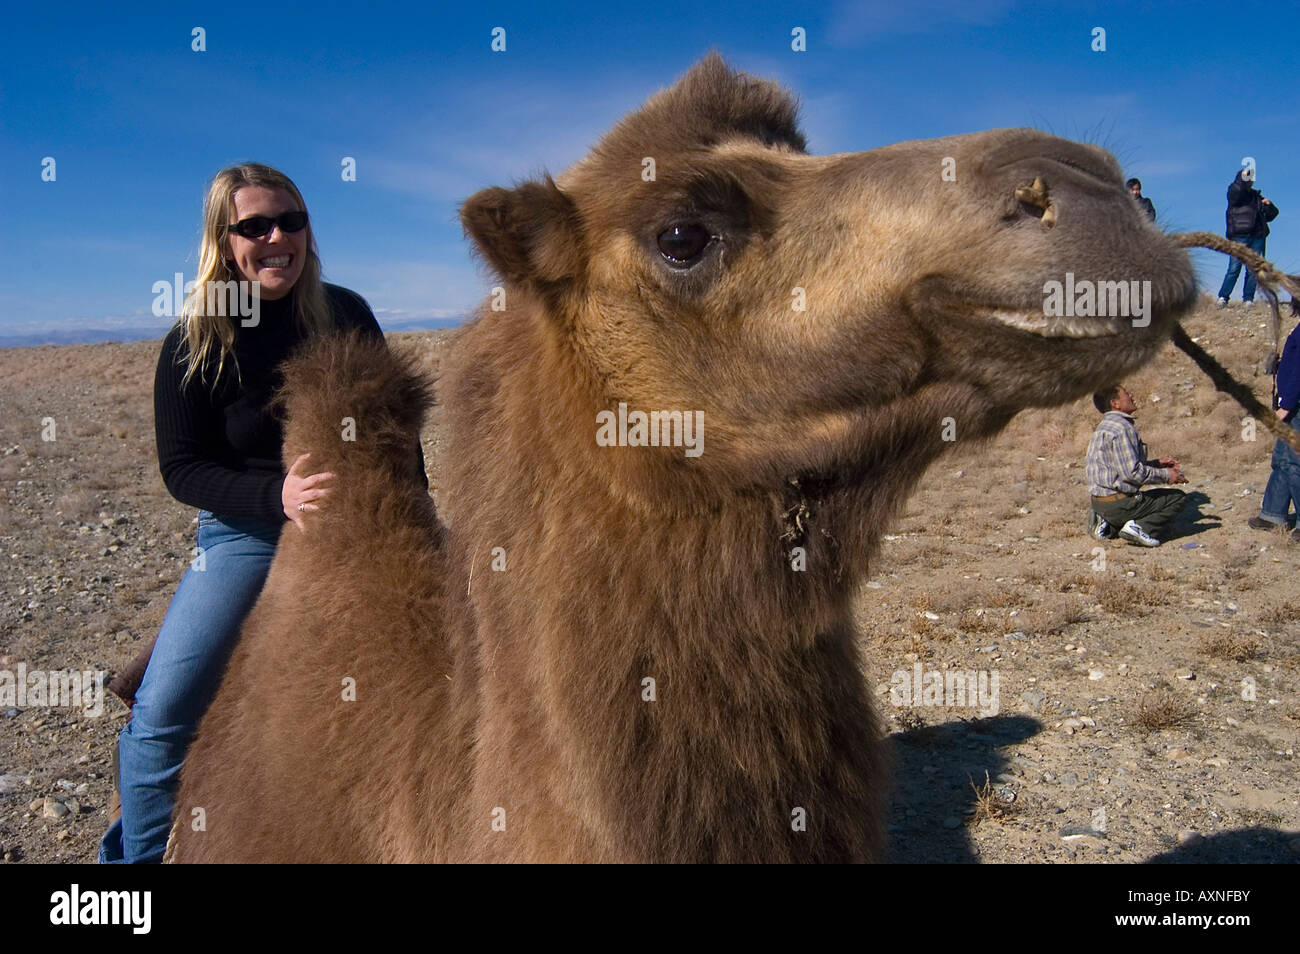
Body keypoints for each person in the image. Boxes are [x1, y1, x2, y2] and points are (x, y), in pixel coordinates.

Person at [98, 162, 424, 863]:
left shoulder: (346, 313)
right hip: (246, 534)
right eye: (255, 226)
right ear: (225, 239)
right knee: (161, 715)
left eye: (291, 221)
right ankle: (132, 873)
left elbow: (395, 421)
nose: (278, 237)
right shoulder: (193, 342)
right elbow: (183, 468)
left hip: (365, 518)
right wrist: (273, 497)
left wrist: (417, 506)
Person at [1086, 385, 1189, 547]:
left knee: (1125, 514)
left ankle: (1105, 524)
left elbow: (1120, 468)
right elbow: (1132, 474)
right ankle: (1140, 528)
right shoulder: (1123, 428)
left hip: (1099, 503)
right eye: (1126, 394)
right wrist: (1168, 476)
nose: (1131, 395)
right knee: (1177, 498)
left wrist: (1157, 464)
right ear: (1116, 403)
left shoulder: (1105, 426)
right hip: (1118, 503)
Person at [1248, 300, 1300, 540]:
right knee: (1282, 460)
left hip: (1295, 409)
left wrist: (1286, 406)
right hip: (1291, 406)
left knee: (1294, 464)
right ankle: (1272, 514)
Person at [1216, 168, 1280, 306]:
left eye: (1251, 178)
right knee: (1234, 268)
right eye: (1247, 178)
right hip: (1239, 236)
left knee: (1253, 270)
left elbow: (1273, 215)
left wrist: (1269, 206)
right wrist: (1244, 175)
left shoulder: (1257, 197)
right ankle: (1223, 297)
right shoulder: (1236, 194)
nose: (1250, 180)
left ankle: (1248, 299)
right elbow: (1238, 188)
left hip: (1257, 237)